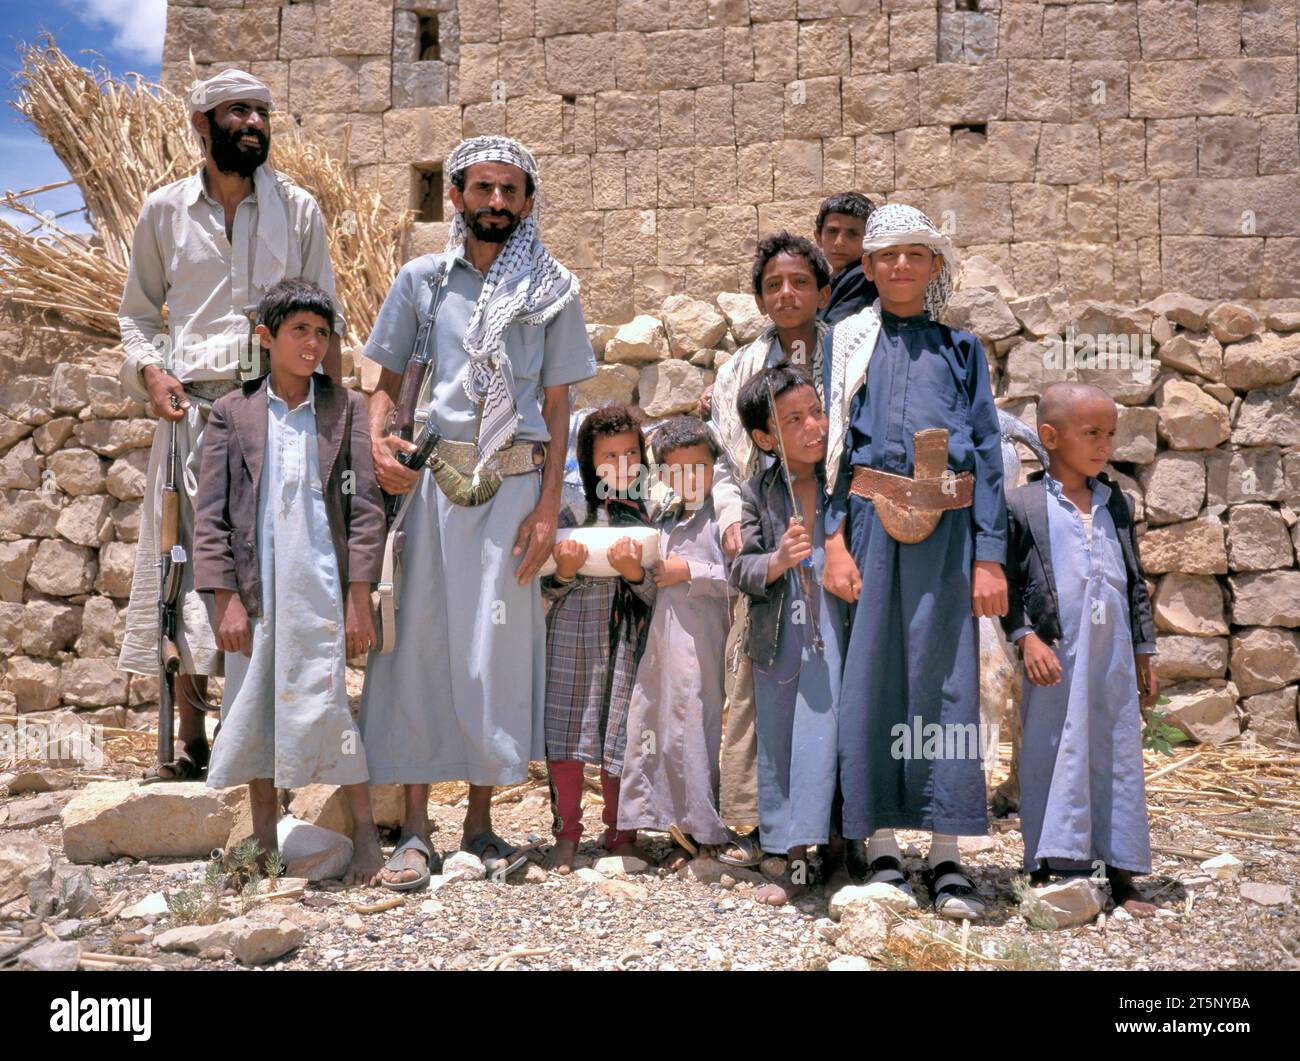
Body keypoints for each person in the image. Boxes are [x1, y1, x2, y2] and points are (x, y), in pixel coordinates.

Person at [360, 136, 596, 890]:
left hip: (515, 485)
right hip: (431, 481)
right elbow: (383, 375)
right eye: (482, 188)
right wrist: (376, 440)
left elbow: (559, 405)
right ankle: (418, 831)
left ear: (527, 201)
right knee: (419, 648)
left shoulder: (552, 288)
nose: (496, 202)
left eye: (510, 191)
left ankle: (482, 824)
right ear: (456, 195)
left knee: (497, 651)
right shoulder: (421, 281)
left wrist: (551, 505)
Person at [117, 69, 344, 782]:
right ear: (201, 123)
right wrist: (151, 373)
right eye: (235, 111)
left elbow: (325, 315)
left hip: (274, 407)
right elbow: (135, 314)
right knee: (186, 563)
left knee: (275, 561)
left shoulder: (299, 210)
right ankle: (191, 738)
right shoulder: (163, 211)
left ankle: (270, 735)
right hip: (191, 411)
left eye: (261, 111)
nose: (252, 122)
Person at [826, 204, 1008, 920]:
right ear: (867, 267)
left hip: (949, 536)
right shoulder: (846, 346)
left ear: (934, 266)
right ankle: (882, 850)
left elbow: (990, 461)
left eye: (915, 253)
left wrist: (989, 557)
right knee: (871, 680)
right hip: (869, 527)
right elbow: (832, 454)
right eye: (887, 255)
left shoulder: (963, 352)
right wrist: (834, 540)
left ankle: (948, 855)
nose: (901, 265)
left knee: (947, 683)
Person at [193, 279, 384, 886]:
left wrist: (359, 599)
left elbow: (366, 511)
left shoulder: (344, 407)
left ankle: (366, 841)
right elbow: (211, 517)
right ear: (266, 337)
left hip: (321, 590)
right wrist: (225, 600)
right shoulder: (233, 412)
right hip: (258, 592)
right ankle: (264, 841)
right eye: (299, 330)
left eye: (321, 333)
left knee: (329, 706)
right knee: (253, 710)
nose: (312, 343)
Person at [700, 232, 840, 870]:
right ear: (759, 298)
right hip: (771, 549)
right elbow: (729, 464)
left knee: (836, 705)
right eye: (773, 285)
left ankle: (841, 836)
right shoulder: (738, 373)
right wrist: (735, 521)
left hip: (836, 540)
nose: (787, 294)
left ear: (823, 289)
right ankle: (771, 831)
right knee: (769, 705)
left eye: (801, 283)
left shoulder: (851, 356)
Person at [1003, 382, 1159, 917]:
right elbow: (1007, 582)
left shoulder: (1115, 501)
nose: (1104, 446)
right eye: (1092, 433)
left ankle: (1120, 868)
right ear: (1050, 436)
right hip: (1055, 654)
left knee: (1115, 748)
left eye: (1110, 435)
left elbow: (1134, 580)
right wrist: (1025, 638)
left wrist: (1144, 649)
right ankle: (1053, 862)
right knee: (1050, 750)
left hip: (1111, 653)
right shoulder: (1023, 505)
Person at [730, 364, 849, 906]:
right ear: (763, 439)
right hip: (780, 643)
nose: (814, 428)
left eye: (817, 412)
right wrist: (777, 560)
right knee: (784, 748)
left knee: (835, 739)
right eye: (794, 420)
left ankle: (844, 853)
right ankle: (795, 861)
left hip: (837, 633)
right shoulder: (758, 493)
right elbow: (742, 570)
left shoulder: (843, 481)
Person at [541, 404, 660, 873]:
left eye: (631, 453)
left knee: (622, 735)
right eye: (609, 456)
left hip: (630, 637)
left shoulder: (657, 507)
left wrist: (635, 575)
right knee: (564, 730)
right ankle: (566, 834)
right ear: (589, 461)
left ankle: (621, 834)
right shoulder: (570, 506)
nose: (622, 465)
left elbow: (661, 589)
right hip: (571, 634)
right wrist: (566, 571)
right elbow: (543, 587)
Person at [617, 416, 733, 870]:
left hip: (704, 648)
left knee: (697, 738)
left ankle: (709, 835)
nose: (692, 480)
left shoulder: (720, 523)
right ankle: (676, 829)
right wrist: (636, 576)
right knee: (660, 735)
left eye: (700, 468)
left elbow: (742, 581)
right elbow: (654, 591)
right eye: (678, 472)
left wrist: (693, 572)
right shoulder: (664, 524)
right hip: (663, 652)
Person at [813, 192, 877, 325]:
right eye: (832, 231)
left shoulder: (864, 276)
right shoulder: (831, 280)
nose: (839, 242)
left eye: (853, 233)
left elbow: (831, 332)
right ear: (818, 238)